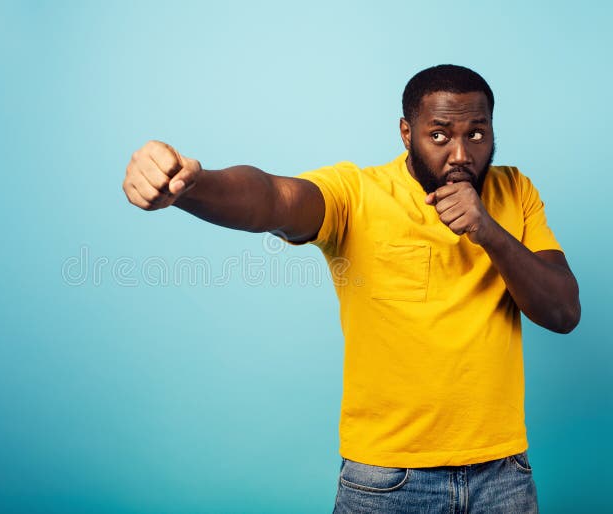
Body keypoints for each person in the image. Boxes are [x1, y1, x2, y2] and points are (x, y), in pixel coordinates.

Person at [122, 64, 580, 513]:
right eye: (439, 135)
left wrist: (490, 232)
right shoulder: (356, 194)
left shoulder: (515, 190)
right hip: (387, 479)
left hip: (502, 473)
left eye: (476, 134)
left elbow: (562, 312)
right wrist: (192, 185)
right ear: (406, 133)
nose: (461, 154)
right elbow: (272, 198)